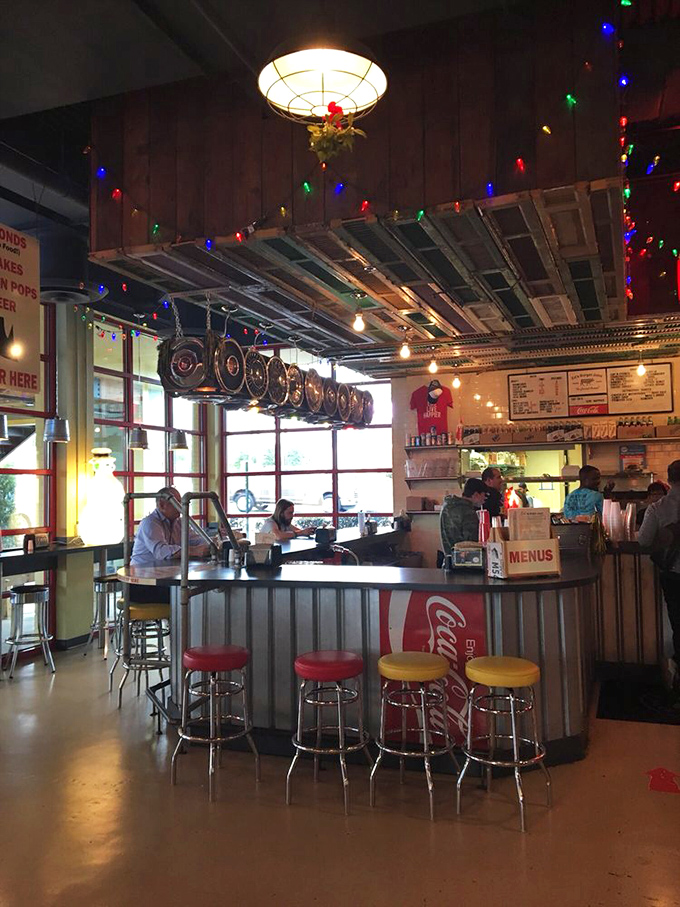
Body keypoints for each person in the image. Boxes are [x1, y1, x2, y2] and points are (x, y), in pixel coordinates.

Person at [637, 461, 680, 691]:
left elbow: (643, 541)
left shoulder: (658, 507)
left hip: (674, 574)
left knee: (678, 623)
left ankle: (677, 677)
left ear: (669, 479)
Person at [440, 478, 489, 553]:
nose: (485, 498)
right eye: (484, 494)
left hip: (449, 558)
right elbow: (472, 543)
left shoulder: (447, 506)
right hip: (465, 558)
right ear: (476, 495)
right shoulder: (468, 512)